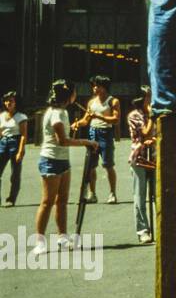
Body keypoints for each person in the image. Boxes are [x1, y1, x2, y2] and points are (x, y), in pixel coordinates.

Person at [33, 80, 98, 256]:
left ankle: (62, 236)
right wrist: (86, 142)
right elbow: (63, 140)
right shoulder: (56, 113)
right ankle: (39, 241)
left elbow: (66, 135)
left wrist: (81, 123)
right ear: (68, 95)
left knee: (62, 200)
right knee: (47, 202)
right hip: (51, 160)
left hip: (62, 160)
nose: (76, 95)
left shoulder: (62, 112)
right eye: (74, 92)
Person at [74, 76, 120, 204]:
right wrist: (77, 124)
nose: (94, 88)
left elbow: (116, 119)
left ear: (104, 87)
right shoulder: (91, 102)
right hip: (92, 133)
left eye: (97, 86)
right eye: (93, 85)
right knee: (91, 166)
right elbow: (85, 120)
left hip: (106, 133)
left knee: (108, 165)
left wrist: (99, 116)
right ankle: (92, 194)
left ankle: (112, 193)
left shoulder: (113, 101)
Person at [126, 88, 156, 244]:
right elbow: (145, 132)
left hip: (155, 158)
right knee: (140, 195)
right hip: (139, 158)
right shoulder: (134, 116)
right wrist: (151, 116)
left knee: (159, 195)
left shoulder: (156, 113)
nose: (151, 100)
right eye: (148, 97)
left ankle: (161, 226)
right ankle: (143, 230)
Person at [0, 91, 27, 207]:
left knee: (15, 174)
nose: (8, 103)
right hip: (3, 143)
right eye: (6, 101)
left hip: (15, 143)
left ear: (15, 103)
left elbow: (23, 135)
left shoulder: (21, 117)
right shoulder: (1, 116)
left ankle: (11, 198)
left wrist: (21, 150)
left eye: (11, 101)